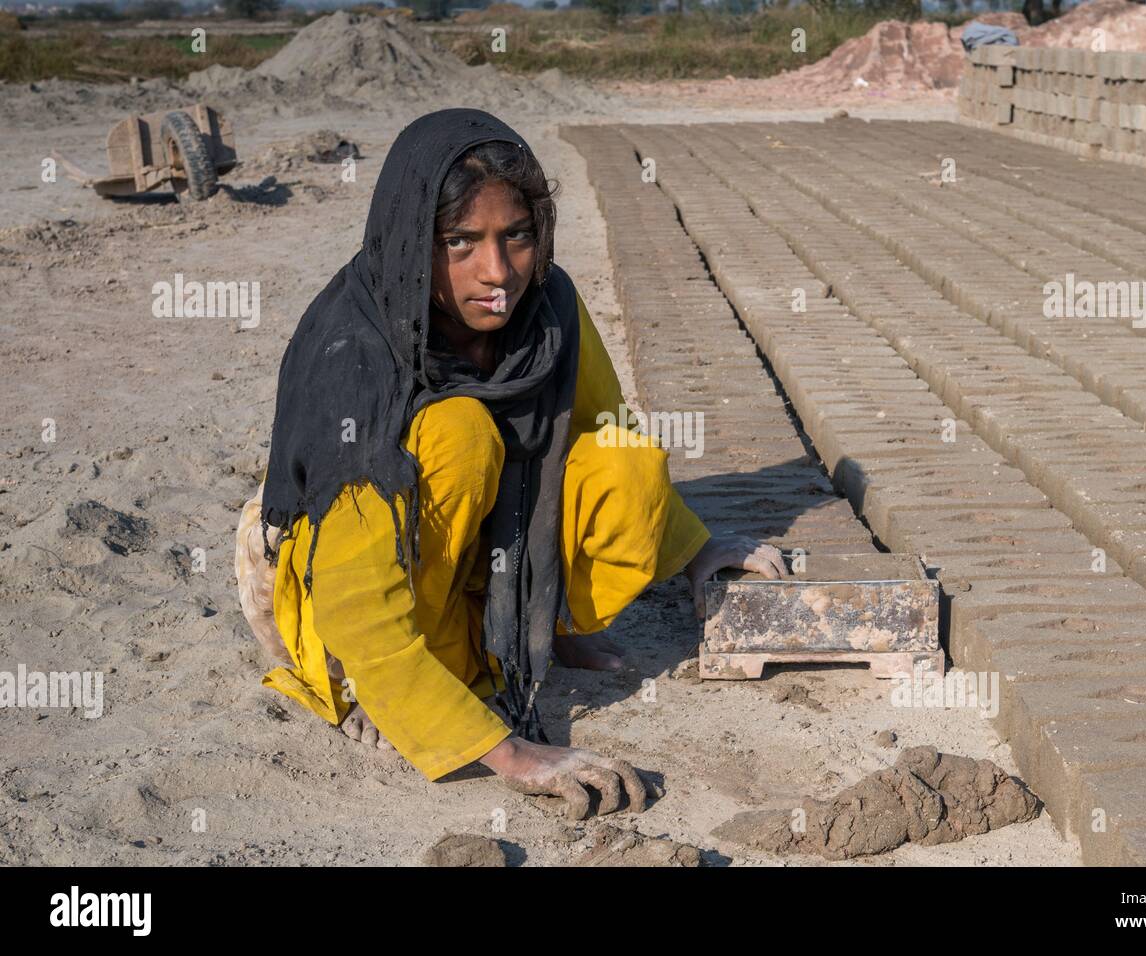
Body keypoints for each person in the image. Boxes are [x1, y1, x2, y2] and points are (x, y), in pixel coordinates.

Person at [235, 109, 786, 820]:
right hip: (337, 593)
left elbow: (601, 423)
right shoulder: (358, 360)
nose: (496, 273)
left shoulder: (546, 306)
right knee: (461, 432)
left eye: (516, 236)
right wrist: (513, 753)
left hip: (463, 554)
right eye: (459, 242)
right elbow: (356, 606)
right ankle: (400, 693)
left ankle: (527, 628)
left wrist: (697, 546)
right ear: (411, 244)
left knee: (623, 459)